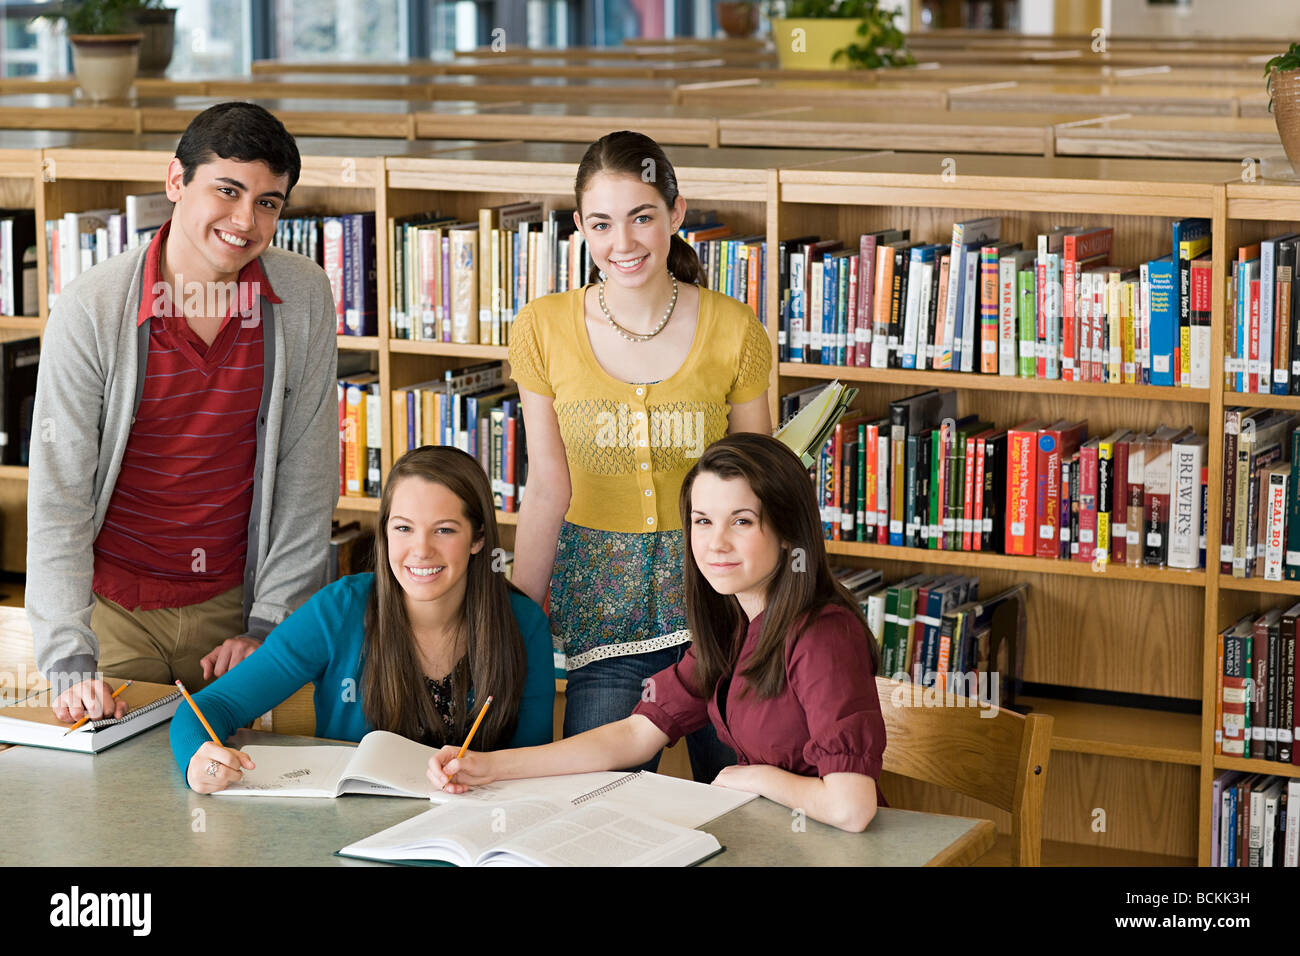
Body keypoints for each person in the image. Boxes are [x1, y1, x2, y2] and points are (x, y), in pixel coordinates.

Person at [27, 102, 339, 724]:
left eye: (268, 202)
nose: (245, 220)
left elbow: (309, 478)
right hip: (112, 612)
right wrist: (69, 658)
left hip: (235, 612)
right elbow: (57, 493)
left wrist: (268, 625)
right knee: (113, 803)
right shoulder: (91, 308)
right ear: (176, 181)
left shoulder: (302, 295)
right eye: (227, 190)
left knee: (236, 794)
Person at [428, 434, 886, 833]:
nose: (715, 543)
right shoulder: (731, 626)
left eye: (741, 521)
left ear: (788, 531)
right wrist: (488, 766)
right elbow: (633, 734)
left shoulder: (823, 635)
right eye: (703, 521)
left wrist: (752, 777)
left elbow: (850, 808)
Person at [506, 130, 772, 782]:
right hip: (605, 618)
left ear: (676, 214)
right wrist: (513, 619)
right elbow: (546, 488)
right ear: (580, 228)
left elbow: (761, 491)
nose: (622, 243)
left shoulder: (735, 327)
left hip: (723, 617)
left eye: (642, 218)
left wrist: (776, 623)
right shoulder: (543, 326)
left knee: (747, 811)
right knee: (596, 812)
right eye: (602, 224)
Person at [173, 445, 556, 793]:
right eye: (403, 528)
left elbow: (530, 764)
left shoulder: (523, 624)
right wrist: (197, 760)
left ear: (477, 539)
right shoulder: (339, 608)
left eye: (444, 530)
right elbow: (209, 706)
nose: (420, 550)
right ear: (385, 534)